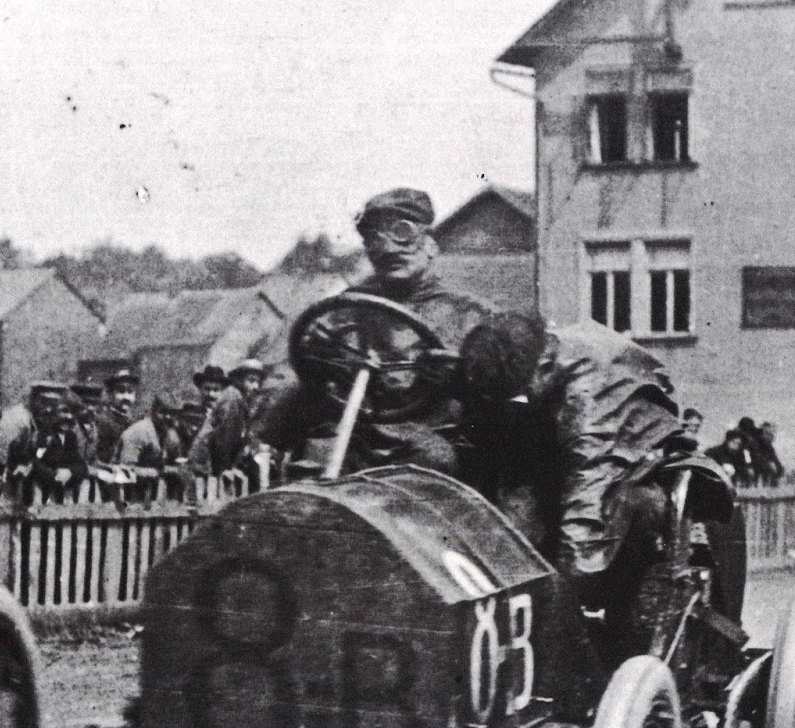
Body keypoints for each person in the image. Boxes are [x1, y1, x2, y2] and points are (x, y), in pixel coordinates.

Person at [455, 312, 683, 635]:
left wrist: (555, 606)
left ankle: (618, 629)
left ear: (541, 370)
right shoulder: (526, 349)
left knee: (625, 511)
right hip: (563, 459)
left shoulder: (588, 402)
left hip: (630, 477)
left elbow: (587, 506)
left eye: (519, 393)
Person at [259, 186, 493, 474]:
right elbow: (299, 370)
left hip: (431, 438)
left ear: (431, 244)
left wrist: (459, 379)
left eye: (402, 232)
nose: (389, 248)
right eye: (373, 238)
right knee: (313, 457)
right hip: (356, 433)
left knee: (434, 462)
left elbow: (495, 391)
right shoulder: (344, 308)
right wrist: (319, 362)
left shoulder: (469, 315)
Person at [188, 359, 268, 481]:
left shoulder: (242, 401)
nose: (255, 387)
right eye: (251, 381)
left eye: (257, 382)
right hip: (205, 465)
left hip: (211, 464)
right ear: (238, 380)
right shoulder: (233, 398)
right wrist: (227, 468)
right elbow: (225, 437)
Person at [115, 395, 185, 496]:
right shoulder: (138, 432)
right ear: (153, 411)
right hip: (124, 490)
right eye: (163, 412)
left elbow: (177, 463)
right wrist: (157, 472)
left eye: (172, 413)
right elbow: (126, 469)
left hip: (152, 489)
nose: (168, 417)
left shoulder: (171, 434)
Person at [98, 367, 140, 461]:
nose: (126, 397)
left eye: (130, 392)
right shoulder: (102, 420)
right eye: (121, 391)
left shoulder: (137, 422)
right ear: (111, 394)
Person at [753, 420, 784, 485]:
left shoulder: (769, 446)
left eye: (773, 434)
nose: (772, 436)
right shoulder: (755, 443)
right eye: (769, 433)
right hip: (755, 467)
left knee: (778, 468)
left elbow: (774, 458)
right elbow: (756, 456)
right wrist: (769, 464)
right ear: (763, 432)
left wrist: (779, 467)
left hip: (765, 467)